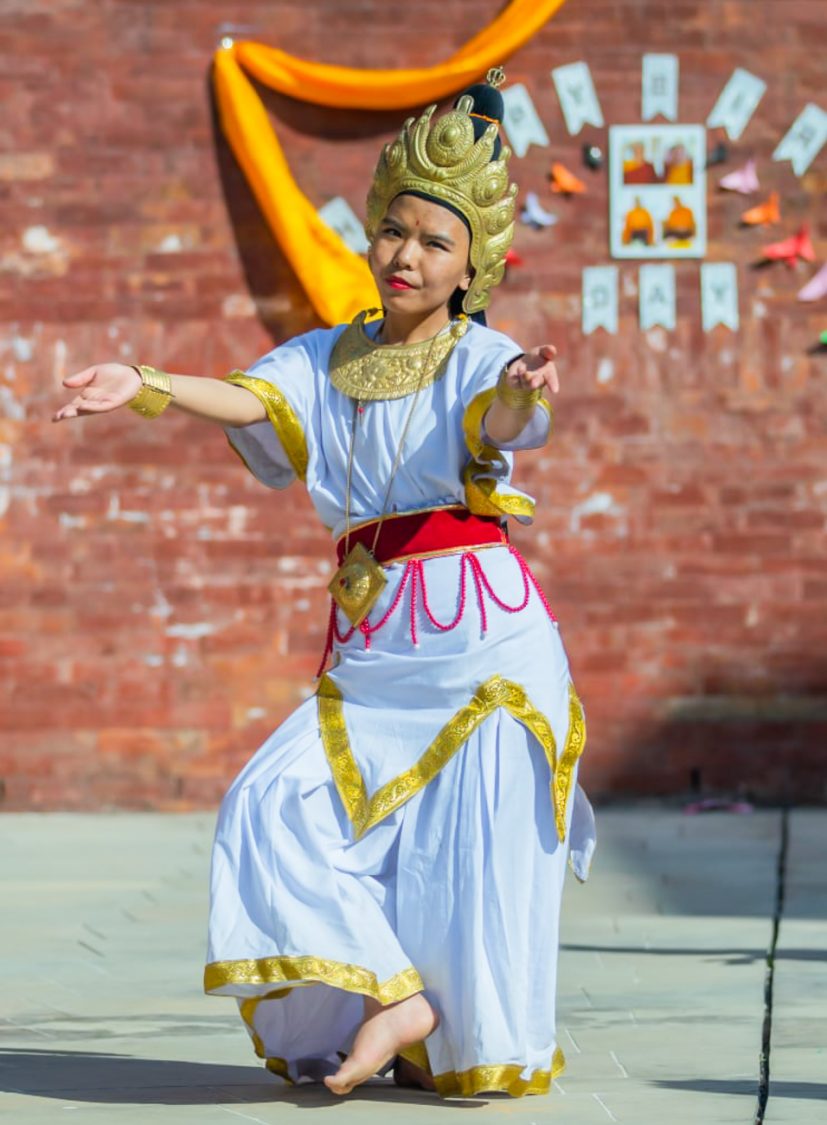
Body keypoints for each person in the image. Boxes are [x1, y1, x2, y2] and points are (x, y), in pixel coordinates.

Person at [53, 69, 596, 1100]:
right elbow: (253, 397)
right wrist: (149, 385)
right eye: (395, 231)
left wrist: (524, 401)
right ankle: (392, 994)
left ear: (470, 268)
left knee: (465, 859)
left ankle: (439, 1031)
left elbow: (501, 426)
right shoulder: (323, 355)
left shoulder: (482, 359)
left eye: (434, 244)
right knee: (265, 807)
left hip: (478, 644)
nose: (404, 256)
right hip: (373, 645)